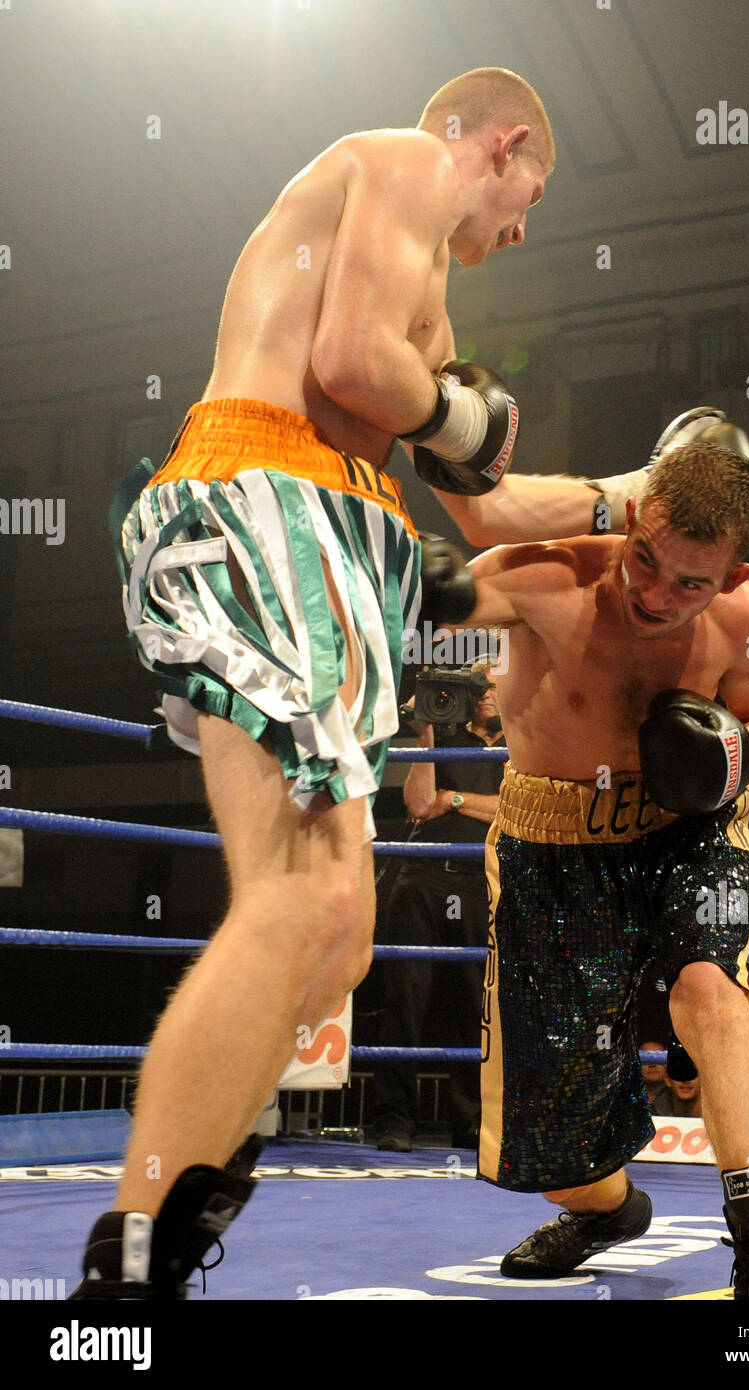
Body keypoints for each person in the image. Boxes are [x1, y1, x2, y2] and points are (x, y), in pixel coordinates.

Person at [72, 66, 564, 1300]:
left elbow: (490, 498)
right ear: (500, 143)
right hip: (264, 504)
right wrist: (456, 416)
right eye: (530, 198)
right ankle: (120, 1269)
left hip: (332, 537)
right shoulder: (404, 160)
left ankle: (170, 1238)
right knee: (298, 903)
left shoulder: (430, 298)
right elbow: (350, 363)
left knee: (337, 937)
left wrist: (633, 511)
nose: (518, 233)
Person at [454, 434, 749, 1300]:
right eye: (646, 560)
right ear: (634, 520)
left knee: (708, 996)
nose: (656, 594)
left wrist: (741, 756)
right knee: (558, 1155)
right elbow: (430, 588)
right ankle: (605, 1208)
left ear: (732, 577)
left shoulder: (741, 619)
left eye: (691, 582)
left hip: (689, 831)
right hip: (552, 842)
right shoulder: (551, 575)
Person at [373, 663, 504, 1151]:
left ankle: (469, 1123)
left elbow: (515, 808)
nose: (487, 694)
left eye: (494, 685)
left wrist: (455, 798)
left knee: (476, 1006)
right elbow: (420, 804)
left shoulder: (527, 748)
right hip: (424, 879)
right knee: (404, 1001)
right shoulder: (445, 739)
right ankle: (394, 1120)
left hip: (481, 884)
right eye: (478, 687)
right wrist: (425, 736)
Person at [639, 1040, 671, 1113]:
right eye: (646, 1058)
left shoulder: (678, 1099)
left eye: (659, 1058)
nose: (652, 1065)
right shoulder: (625, 1097)